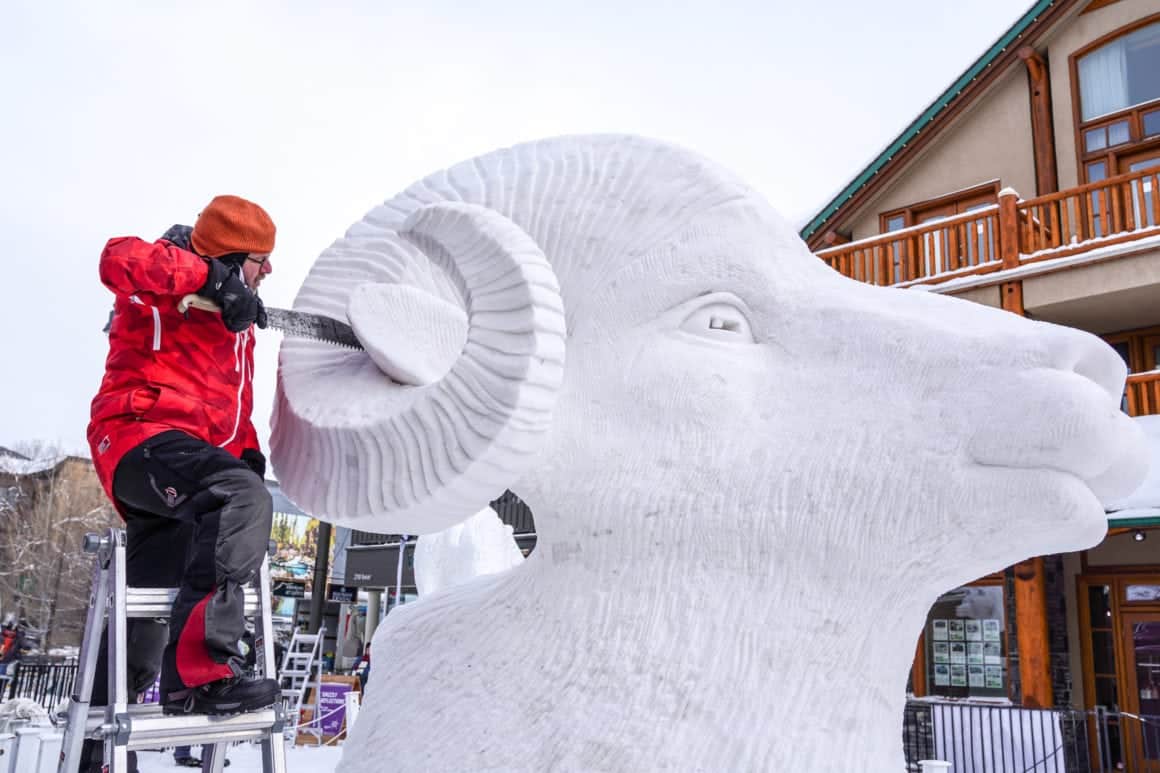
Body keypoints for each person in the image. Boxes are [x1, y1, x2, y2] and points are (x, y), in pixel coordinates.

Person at [84, 194, 279, 736]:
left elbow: (232, 405)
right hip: (137, 439)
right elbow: (113, 257)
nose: (270, 270)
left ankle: (91, 752)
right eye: (260, 260)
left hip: (188, 465)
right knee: (239, 498)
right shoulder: (163, 277)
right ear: (233, 258)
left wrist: (248, 454)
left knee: (143, 623)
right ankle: (202, 676)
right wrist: (209, 280)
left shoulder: (237, 320)